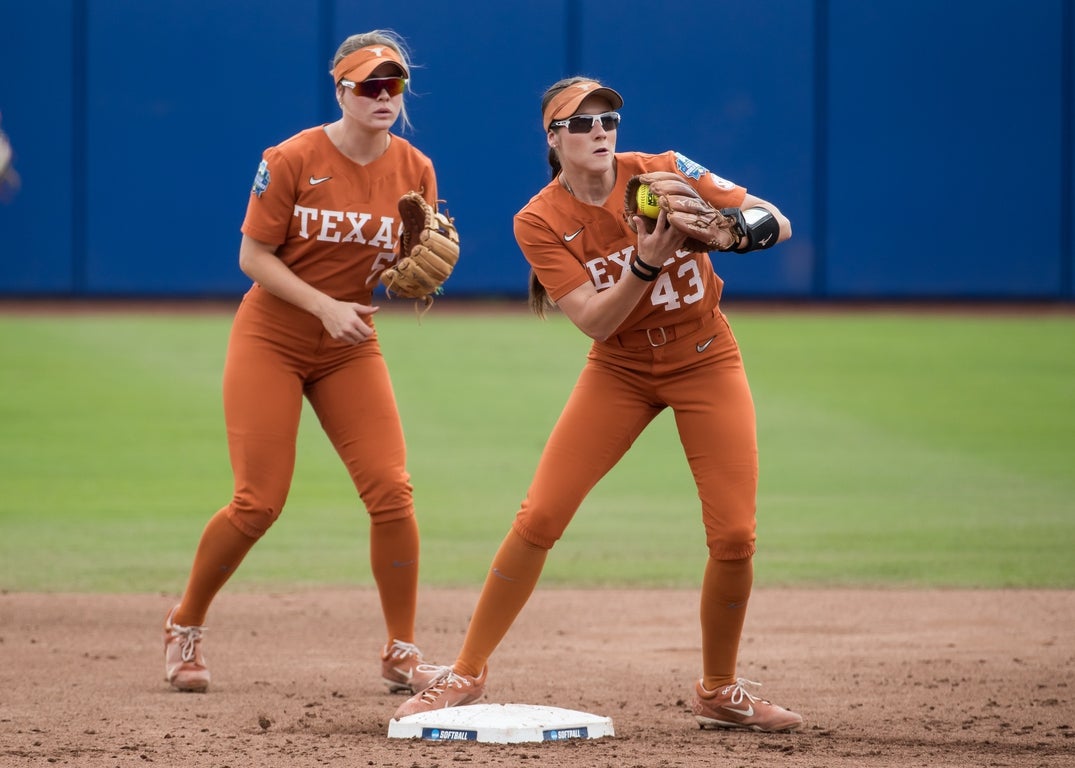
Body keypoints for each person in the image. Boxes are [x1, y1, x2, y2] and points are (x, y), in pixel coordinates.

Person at [393, 77, 803, 732]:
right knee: (540, 515)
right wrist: (644, 264)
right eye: (579, 123)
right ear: (552, 139)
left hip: (704, 357)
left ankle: (718, 690)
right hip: (620, 369)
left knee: (733, 535)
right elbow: (594, 321)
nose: (599, 131)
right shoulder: (538, 219)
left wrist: (729, 231)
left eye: (607, 117)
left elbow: (777, 220)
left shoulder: (664, 171)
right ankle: (465, 672)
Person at [163, 30, 443, 696]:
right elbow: (253, 259)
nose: (382, 95)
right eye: (368, 84)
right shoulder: (292, 157)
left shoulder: (415, 168)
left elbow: (409, 260)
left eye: (392, 84)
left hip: (349, 344)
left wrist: (416, 276)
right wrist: (323, 305)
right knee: (258, 502)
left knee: (392, 491)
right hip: (274, 335)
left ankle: (401, 650)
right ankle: (185, 625)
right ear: (340, 89)